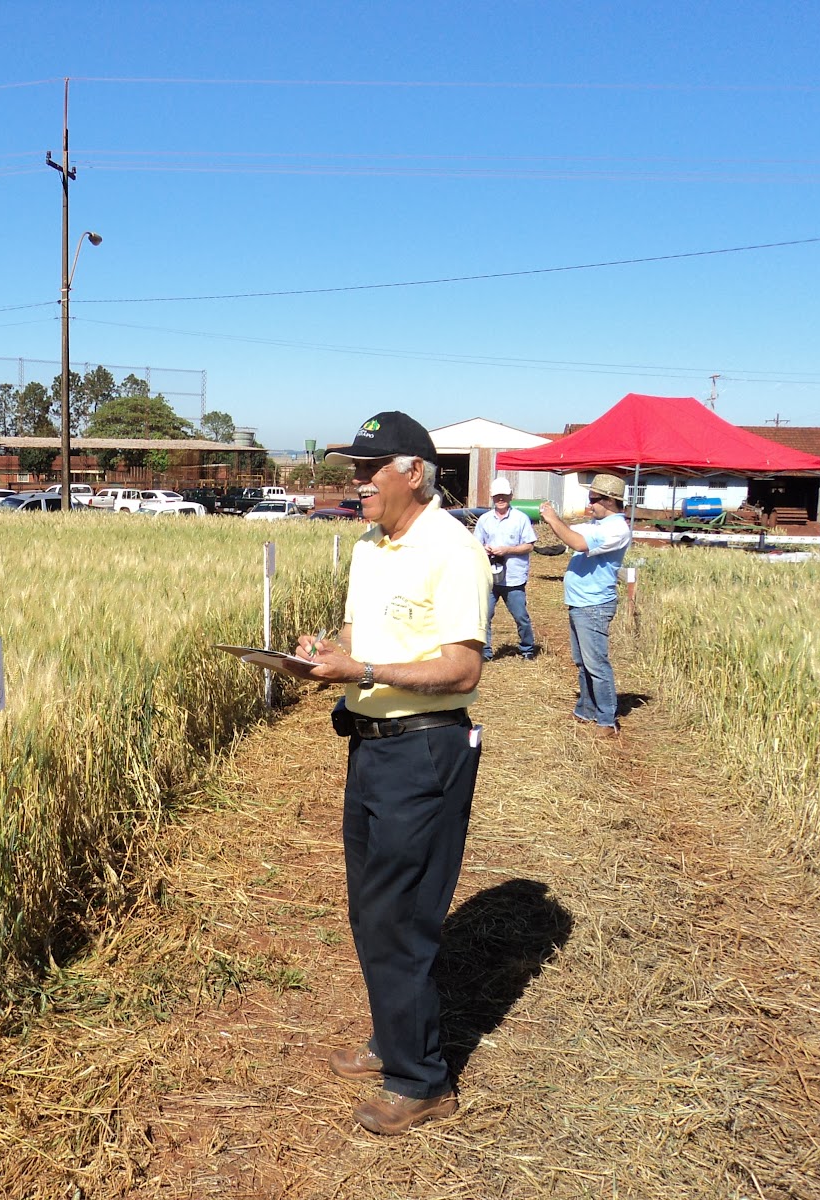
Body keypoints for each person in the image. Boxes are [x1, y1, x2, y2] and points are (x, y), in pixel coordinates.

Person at [277, 411, 490, 1136]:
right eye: (352, 469)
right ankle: (392, 1039)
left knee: (401, 914)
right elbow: (357, 634)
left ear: (412, 473)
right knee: (371, 908)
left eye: (369, 469)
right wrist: (325, 650)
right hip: (370, 745)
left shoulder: (452, 549)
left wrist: (361, 668)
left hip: (424, 749)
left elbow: (464, 667)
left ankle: (422, 1081)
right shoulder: (371, 546)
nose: (356, 481)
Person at [539, 473, 632, 736]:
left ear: (611, 501)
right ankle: (586, 709)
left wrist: (553, 518)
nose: (590, 504)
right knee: (582, 662)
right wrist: (552, 518)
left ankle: (607, 720)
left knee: (596, 665)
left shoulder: (616, 529)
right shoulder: (598, 524)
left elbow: (577, 542)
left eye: (594, 499)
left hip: (594, 605)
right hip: (581, 603)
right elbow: (569, 533)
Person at [473, 477, 537, 661]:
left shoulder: (521, 519)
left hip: (514, 578)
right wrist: (485, 549)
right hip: (490, 577)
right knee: (485, 616)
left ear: (510, 496)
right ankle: (485, 653)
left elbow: (529, 546)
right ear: (492, 497)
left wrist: (507, 550)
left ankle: (527, 649)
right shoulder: (484, 520)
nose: (500, 499)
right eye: (497, 496)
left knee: (521, 616)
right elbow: (476, 544)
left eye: (504, 495)